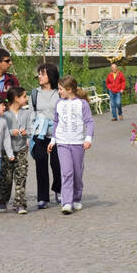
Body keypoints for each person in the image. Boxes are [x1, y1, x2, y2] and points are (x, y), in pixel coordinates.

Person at [49, 75, 94, 214]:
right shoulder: (59, 103)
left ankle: (76, 198)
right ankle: (66, 202)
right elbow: (56, 122)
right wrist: (53, 140)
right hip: (62, 142)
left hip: (78, 143)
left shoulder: (82, 104)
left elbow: (89, 122)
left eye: (61, 89)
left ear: (69, 89)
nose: (59, 91)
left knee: (77, 173)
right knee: (67, 172)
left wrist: (88, 138)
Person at [29, 62, 62, 209]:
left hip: (57, 133)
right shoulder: (35, 93)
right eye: (39, 74)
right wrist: (30, 133)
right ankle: (42, 197)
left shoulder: (59, 92)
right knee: (40, 163)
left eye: (43, 73)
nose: (40, 76)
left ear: (51, 75)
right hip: (39, 134)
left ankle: (59, 189)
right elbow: (31, 114)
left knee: (57, 164)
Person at [3, 87, 33, 214]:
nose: (26, 99)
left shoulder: (26, 113)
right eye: (24, 96)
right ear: (16, 98)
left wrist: (27, 132)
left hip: (21, 148)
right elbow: (0, 131)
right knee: (6, 177)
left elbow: (31, 129)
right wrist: (11, 132)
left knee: (21, 175)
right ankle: (2, 199)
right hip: (6, 150)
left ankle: (20, 203)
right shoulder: (4, 114)